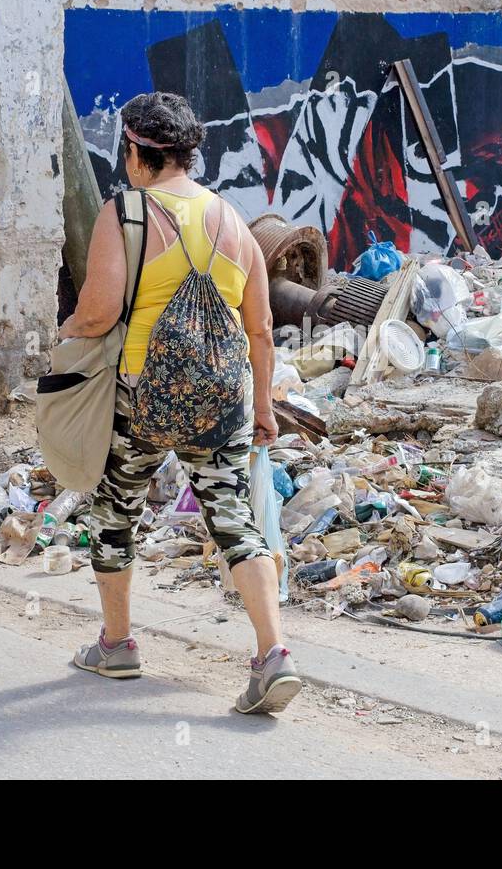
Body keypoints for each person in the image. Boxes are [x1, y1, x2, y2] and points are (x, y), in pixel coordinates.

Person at [57, 91, 301, 715]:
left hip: (143, 397)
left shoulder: (126, 213)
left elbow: (100, 310)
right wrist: (265, 407)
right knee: (235, 521)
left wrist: (66, 338)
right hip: (222, 398)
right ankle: (273, 655)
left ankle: (116, 644)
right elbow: (262, 328)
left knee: (115, 511)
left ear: (139, 154)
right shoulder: (233, 221)